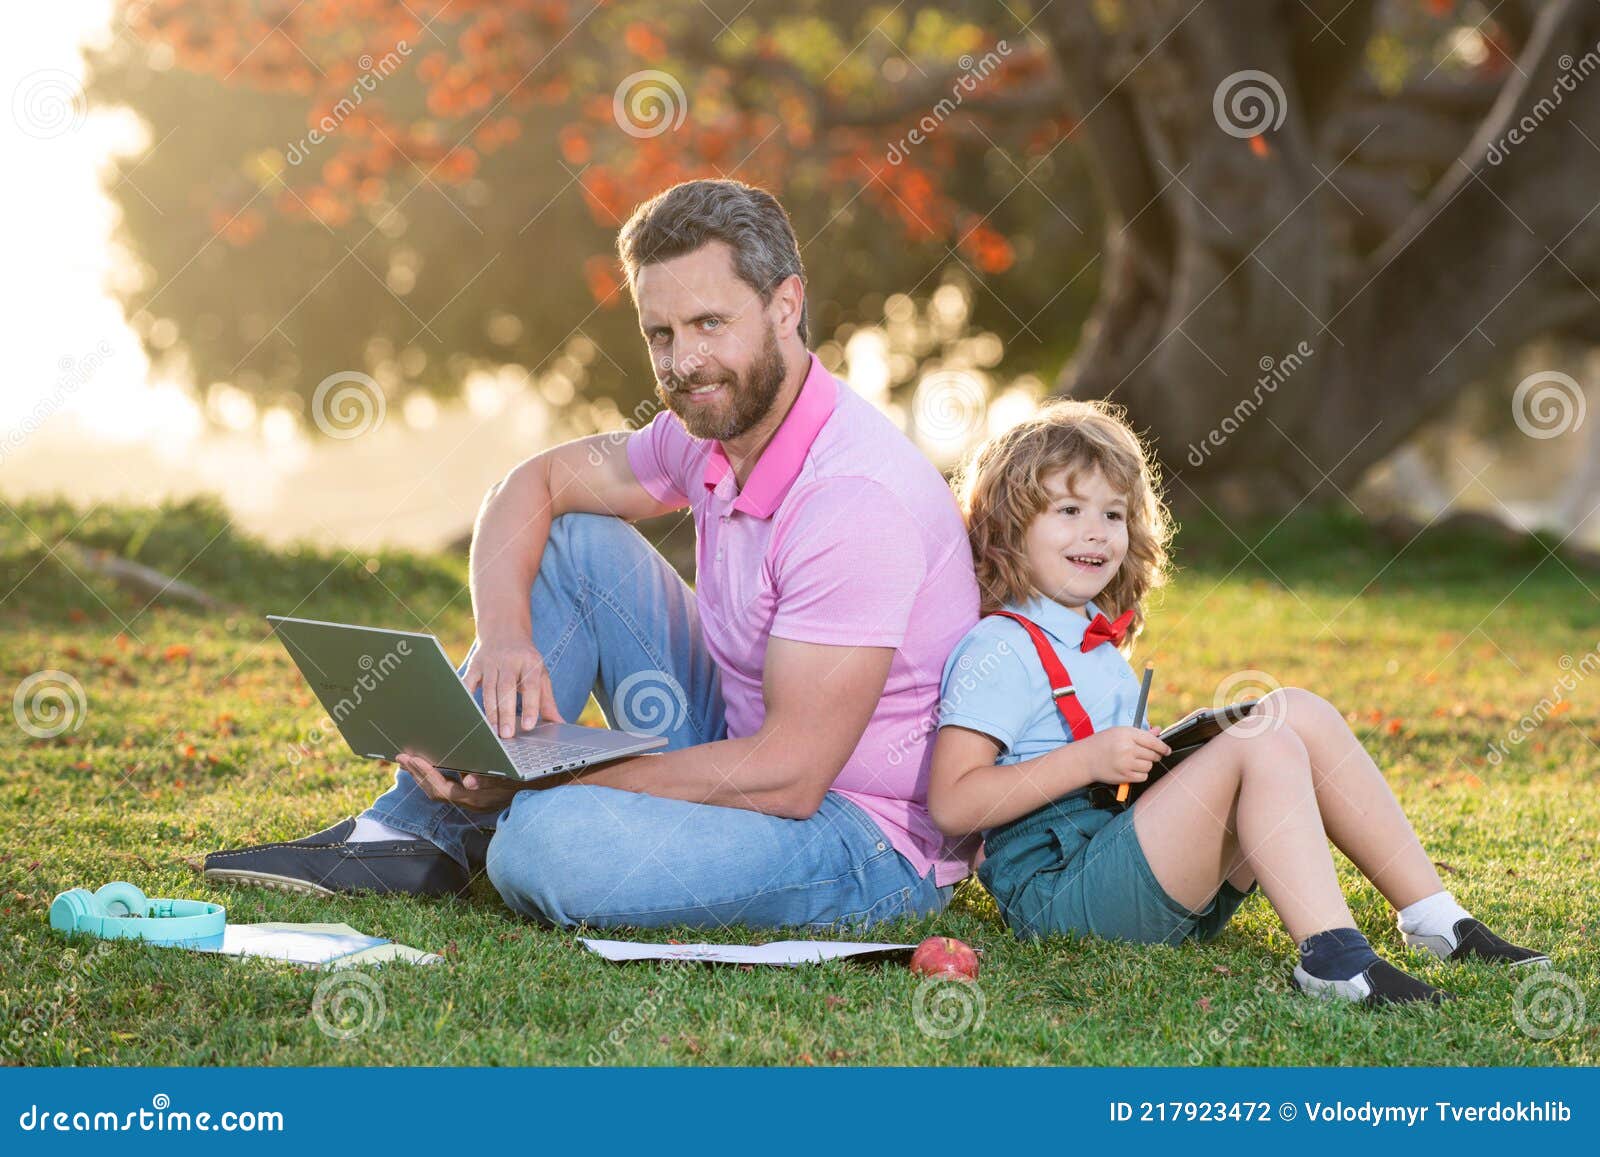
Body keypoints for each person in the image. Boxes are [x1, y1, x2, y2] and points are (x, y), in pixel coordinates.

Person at [206, 178, 980, 928]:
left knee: (548, 842)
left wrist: (558, 777)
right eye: (661, 333)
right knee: (574, 539)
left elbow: (791, 773)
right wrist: (507, 634)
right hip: (739, 743)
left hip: (858, 834)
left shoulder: (851, 498)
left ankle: (505, 811)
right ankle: (412, 838)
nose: (684, 364)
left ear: (786, 305)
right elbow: (531, 484)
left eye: (711, 323)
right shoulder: (709, 433)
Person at [927, 399, 1548, 1004]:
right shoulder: (1002, 647)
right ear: (1009, 526)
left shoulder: (1092, 632)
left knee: (1296, 709)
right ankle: (1333, 960)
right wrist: (1090, 760)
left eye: (1114, 514)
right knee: (1262, 742)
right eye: (1069, 509)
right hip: (1063, 897)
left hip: (1133, 868)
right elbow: (955, 802)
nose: (1097, 531)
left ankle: (1436, 919)